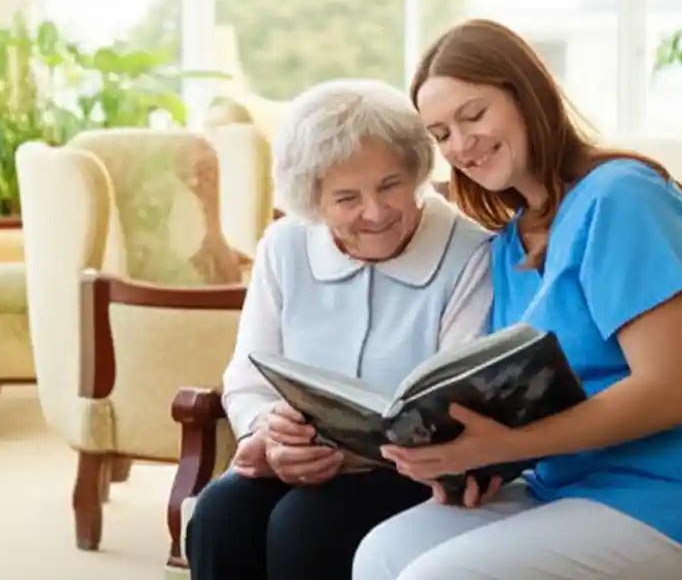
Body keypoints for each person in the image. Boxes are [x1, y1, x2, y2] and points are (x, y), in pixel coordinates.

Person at [351, 18, 682, 580]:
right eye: (441, 134)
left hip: (679, 500)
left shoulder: (622, 197)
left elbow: (669, 393)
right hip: (559, 488)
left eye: (473, 115)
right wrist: (461, 461)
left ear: (526, 95)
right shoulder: (509, 244)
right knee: (379, 554)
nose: (461, 144)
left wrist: (502, 445)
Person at [184, 78, 495, 580]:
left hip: (409, 470)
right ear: (313, 200)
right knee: (222, 513)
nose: (375, 213)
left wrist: (344, 452)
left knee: (306, 524)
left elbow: (455, 404)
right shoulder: (284, 246)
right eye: (347, 198)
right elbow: (248, 377)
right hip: (296, 457)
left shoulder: (470, 252)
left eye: (391, 185)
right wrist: (269, 434)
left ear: (417, 171)